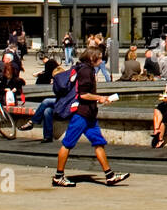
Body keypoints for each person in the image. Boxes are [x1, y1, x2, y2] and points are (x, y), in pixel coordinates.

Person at [53, 48, 130, 187]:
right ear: (92, 58)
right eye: (99, 58)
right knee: (68, 143)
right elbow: (83, 94)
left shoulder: (83, 68)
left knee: (98, 142)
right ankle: (58, 176)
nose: (101, 61)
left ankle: (110, 175)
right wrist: (100, 98)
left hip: (89, 114)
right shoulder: (86, 71)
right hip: (81, 114)